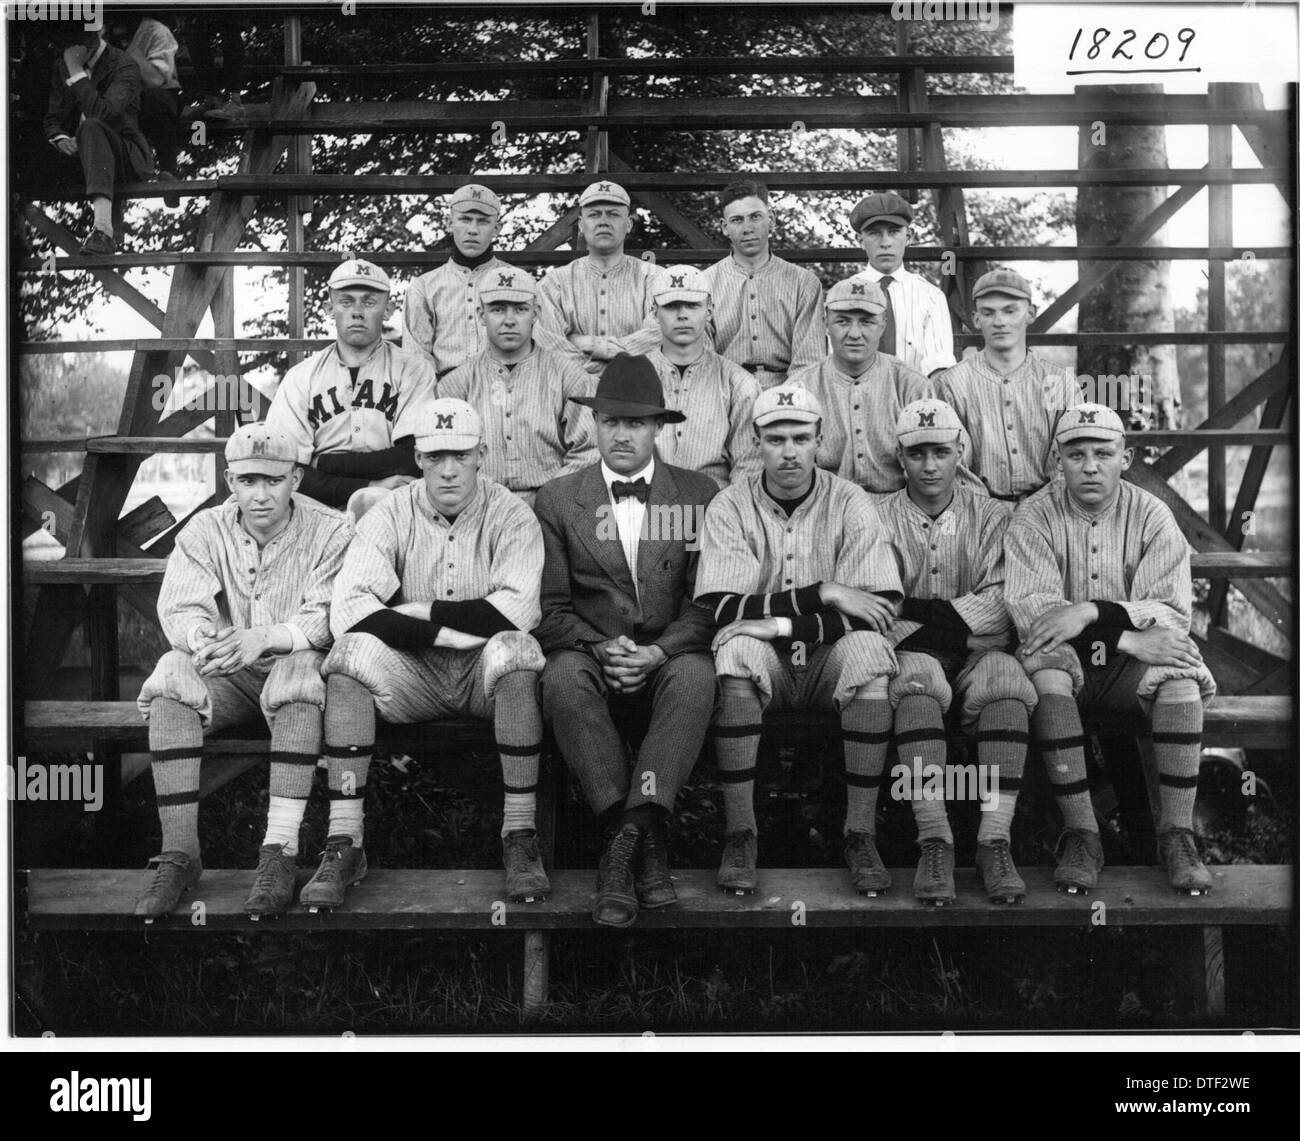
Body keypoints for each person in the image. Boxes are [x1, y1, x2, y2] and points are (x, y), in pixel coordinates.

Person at [320, 399, 551, 907]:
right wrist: (438, 634)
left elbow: (516, 611)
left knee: (518, 650)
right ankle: (344, 840)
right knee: (348, 657)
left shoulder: (511, 513)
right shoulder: (390, 511)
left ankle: (519, 833)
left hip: (483, 671)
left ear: (481, 455)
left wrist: (422, 611)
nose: (449, 470)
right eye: (435, 456)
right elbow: (350, 611)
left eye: (461, 455)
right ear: (418, 458)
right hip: (413, 672)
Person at [132, 424, 353, 921]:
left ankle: (279, 854)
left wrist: (266, 637)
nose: (260, 494)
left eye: (273, 480)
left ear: (296, 478)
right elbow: (181, 607)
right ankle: (179, 853)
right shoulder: (205, 528)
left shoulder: (331, 528)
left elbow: (330, 613)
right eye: (248, 481)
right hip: (229, 670)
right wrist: (205, 641)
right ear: (230, 480)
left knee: (299, 675)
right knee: (171, 673)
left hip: (293, 662)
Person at [695, 383, 903, 895]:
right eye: (776, 439)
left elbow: (876, 613)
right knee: (736, 648)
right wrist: (825, 593)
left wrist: (781, 624)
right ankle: (740, 833)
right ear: (756, 441)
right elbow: (723, 608)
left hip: (830, 661)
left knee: (870, 654)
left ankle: (860, 833)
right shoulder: (730, 503)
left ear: (820, 439)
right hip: (766, 663)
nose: (789, 452)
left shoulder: (850, 500)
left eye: (800, 438)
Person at [535, 353, 719, 927]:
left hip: (668, 651)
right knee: (561, 679)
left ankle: (628, 839)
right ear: (594, 424)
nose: (621, 434)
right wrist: (600, 647)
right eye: (611, 420)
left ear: (658, 427)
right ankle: (639, 837)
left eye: (635, 422)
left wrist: (658, 651)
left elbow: (707, 602)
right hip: (592, 650)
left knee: (697, 677)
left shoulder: (698, 494)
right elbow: (550, 609)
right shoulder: (558, 499)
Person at [1004, 403, 1217, 896]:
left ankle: (1177, 835)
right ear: (1058, 459)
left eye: (1103, 453)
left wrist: (1090, 612)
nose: (1090, 466)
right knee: (1045, 668)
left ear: (1126, 457)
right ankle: (1083, 834)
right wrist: (1122, 634)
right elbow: (1037, 616)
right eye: (1076, 454)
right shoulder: (1033, 515)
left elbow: (1169, 612)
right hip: (1070, 662)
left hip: (1127, 672)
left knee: (1181, 672)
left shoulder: (1152, 513)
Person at [877, 400, 1038, 904]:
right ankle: (935, 841)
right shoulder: (876, 516)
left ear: (960, 451)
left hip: (972, 653)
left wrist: (914, 610)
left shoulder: (992, 514)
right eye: (917, 453)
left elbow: (1000, 604)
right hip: (914, 654)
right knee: (917, 686)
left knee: (1006, 685)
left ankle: (995, 841)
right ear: (899, 456)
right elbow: (878, 610)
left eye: (941, 452)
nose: (929, 466)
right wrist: (960, 635)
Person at [265, 258, 436, 512]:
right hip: (315, 508)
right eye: (346, 301)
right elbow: (286, 469)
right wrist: (369, 485)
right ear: (329, 308)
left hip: (393, 506)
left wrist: (324, 463)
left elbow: (412, 456)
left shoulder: (413, 370)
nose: (357, 311)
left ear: (388, 309)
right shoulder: (301, 377)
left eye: (369, 301)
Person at [437, 266, 597, 506]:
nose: (509, 320)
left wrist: (548, 499)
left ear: (536, 313)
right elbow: (445, 459)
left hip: (553, 506)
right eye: (498, 309)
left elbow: (588, 452)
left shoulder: (568, 376)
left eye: (520, 309)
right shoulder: (456, 385)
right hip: (478, 506)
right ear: (481, 314)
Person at [788, 278, 959, 494]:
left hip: (897, 504)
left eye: (866, 322)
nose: (854, 333)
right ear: (825, 324)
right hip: (826, 505)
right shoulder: (800, 388)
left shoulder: (912, 386)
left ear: (883, 324)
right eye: (842, 321)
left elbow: (942, 466)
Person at [934, 268, 1080, 503]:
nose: (999, 321)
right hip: (977, 510)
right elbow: (952, 464)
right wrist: (987, 509)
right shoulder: (952, 384)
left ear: (1030, 313)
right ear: (976, 319)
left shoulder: (1060, 383)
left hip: (1049, 509)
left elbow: (1070, 457)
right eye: (988, 313)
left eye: (1010, 311)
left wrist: (1039, 509)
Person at [700, 179, 825, 390]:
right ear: (724, 227)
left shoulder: (803, 283)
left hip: (788, 391)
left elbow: (808, 364)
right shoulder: (704, 284)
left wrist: (785, 401)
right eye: (737, 220)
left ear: (771, 219)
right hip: (725, 391)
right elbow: (703, 360)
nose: (748, 228)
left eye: (755, 217)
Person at [644, 265, 760, 486]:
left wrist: (726, 507)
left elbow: (748, 467)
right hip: (647, 500)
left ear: (709, 310)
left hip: (715, 501)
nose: (682, 315)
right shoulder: (635, 376)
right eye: (671, 306)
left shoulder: (739, 383)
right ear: (655, 312)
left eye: (693, 305)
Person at [43, 26, 153, 255]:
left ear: (98, 32)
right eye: (66, 43)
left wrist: (76, 71)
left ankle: (103, 231)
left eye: (77, 40)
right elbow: (53, 120)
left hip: (125, 157)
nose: (70, 49)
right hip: (81, 158)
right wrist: (61, 139)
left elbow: (102, 113)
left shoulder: (125, 64)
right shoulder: (62, 65)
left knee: (91, 127)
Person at [536, 180, 660, 374]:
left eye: (613, 214)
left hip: (639, 387)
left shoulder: (654, 278)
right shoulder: (554, 284)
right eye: (594, 214)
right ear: (581, 224)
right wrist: (587, 377)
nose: (603, 221)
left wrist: (594, 346)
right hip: (572, 390)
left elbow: (660, 334)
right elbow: (548, 343)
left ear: (628, 224)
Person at [402, 182, 520, 378]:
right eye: (465, 219)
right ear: (450, 223)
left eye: (483, 221)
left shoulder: (518, 282)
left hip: (506, 385)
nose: (472, 230)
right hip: (445, 387)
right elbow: (416, 360)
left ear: (496, 228)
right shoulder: (424, 287)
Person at [847, 191, 954, 379]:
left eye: (894, 232)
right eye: (874, 233)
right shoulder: (845, 294)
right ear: (860, 241)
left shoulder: (930, 296)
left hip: (915, 393)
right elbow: (837, 362)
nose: (885, 243)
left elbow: (939, 365)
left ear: (909, 236)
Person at [105, 9, 181, 206]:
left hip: (156, 96)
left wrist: (131, 53)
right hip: (119, 100)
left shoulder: (156, 31)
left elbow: (156, 80)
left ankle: (168, 174)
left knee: (155, 101)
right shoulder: (102, 35)